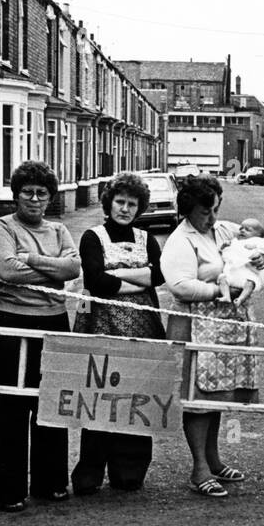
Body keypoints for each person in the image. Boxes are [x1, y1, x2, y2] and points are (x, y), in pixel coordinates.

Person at [162, 174, 264, 498]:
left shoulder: (223, 230)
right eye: (204, 212)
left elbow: (257, 247)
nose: (212, 218)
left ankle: (214, 459)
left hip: (226, 328)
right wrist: (217, 291)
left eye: (215, 209)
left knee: (216, 393)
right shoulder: (181, 240)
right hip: (194, 323)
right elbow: (179, 285)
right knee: (197, 398)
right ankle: (199, 469)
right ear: (187, 211)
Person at [0, 161, 80, 512]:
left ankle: (50, 482)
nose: (35, 199)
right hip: (13, 322)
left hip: (54, 321)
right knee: (13, 404)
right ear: (16, 195)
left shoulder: (58, 230)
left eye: (42, 193)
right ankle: (10, 488)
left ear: (50, 197)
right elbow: (7, 269)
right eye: (28, 192)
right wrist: (53, 275)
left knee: (51, 402)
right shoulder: (0, 226)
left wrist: (33, 260)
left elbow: (74, 268)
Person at [70, 172, 166, 496]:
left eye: (132, 204)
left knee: (137, 396)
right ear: (108, 203)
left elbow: (160, 276)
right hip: (101, 324)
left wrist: (117, 276)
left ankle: (130, 470)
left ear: (140, 208)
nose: (125, 208)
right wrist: (137, 279)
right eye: (120, 202)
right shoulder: (92, 236)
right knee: (100, 396)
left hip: (143, 327)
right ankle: (91, 471)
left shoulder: (146, 237)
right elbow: (96, 282)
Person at [218, 219, 264, 306]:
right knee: (222, 278)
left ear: (258, 235)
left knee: (250, 282)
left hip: (248, 271)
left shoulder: (258, 241)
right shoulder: (235, 241)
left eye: (247, 229)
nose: (242, 230)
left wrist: (258, 250)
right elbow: (225, 252)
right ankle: (226, 296)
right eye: (241, 228)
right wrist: (224, 246)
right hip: (232, 271)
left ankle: (240, 299)